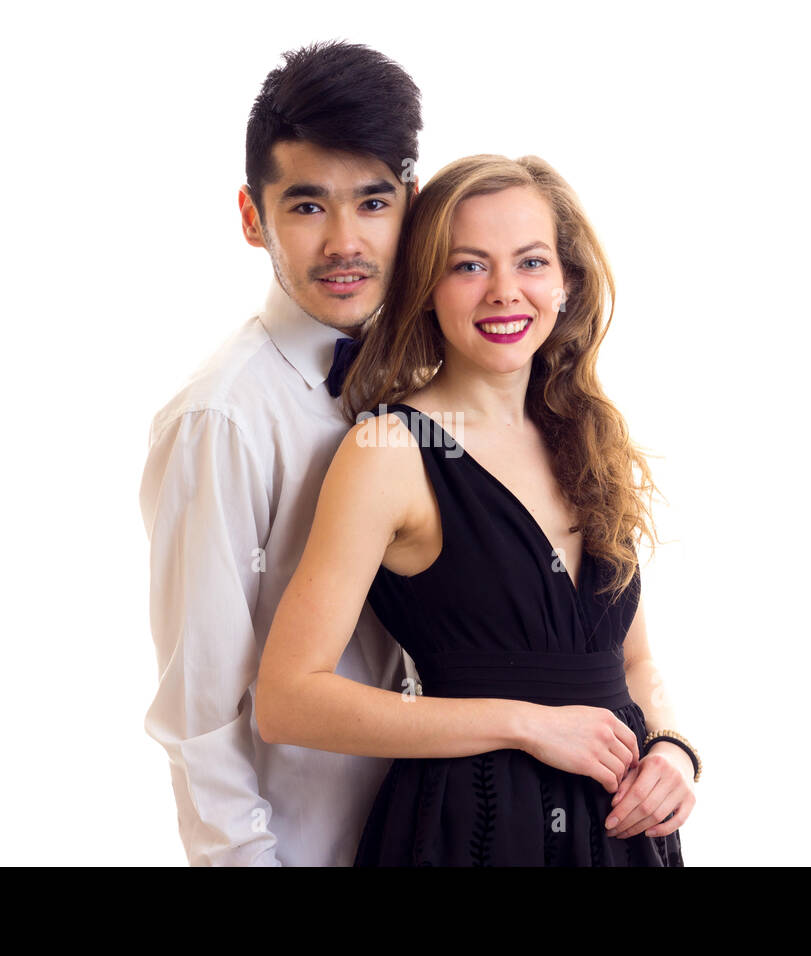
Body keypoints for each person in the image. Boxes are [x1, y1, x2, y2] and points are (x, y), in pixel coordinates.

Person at [256, 154, 700, 865]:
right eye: (468, 266)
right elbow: (288, 700)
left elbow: (632, 659)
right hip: (474, 833)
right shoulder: (388, 451)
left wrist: (675, 749)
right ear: (427, 285)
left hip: (624, 835)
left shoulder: (587, 433)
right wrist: (526, 725)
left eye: (530, 262)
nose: (503, 292)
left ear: (566, 283)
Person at [138, 40, 423, 866]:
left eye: (373, 204)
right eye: (307, 207)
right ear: (251, 216)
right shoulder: (218, 422)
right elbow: (199, 717)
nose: (344, 241)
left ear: (412, 205)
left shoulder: (431, 381)